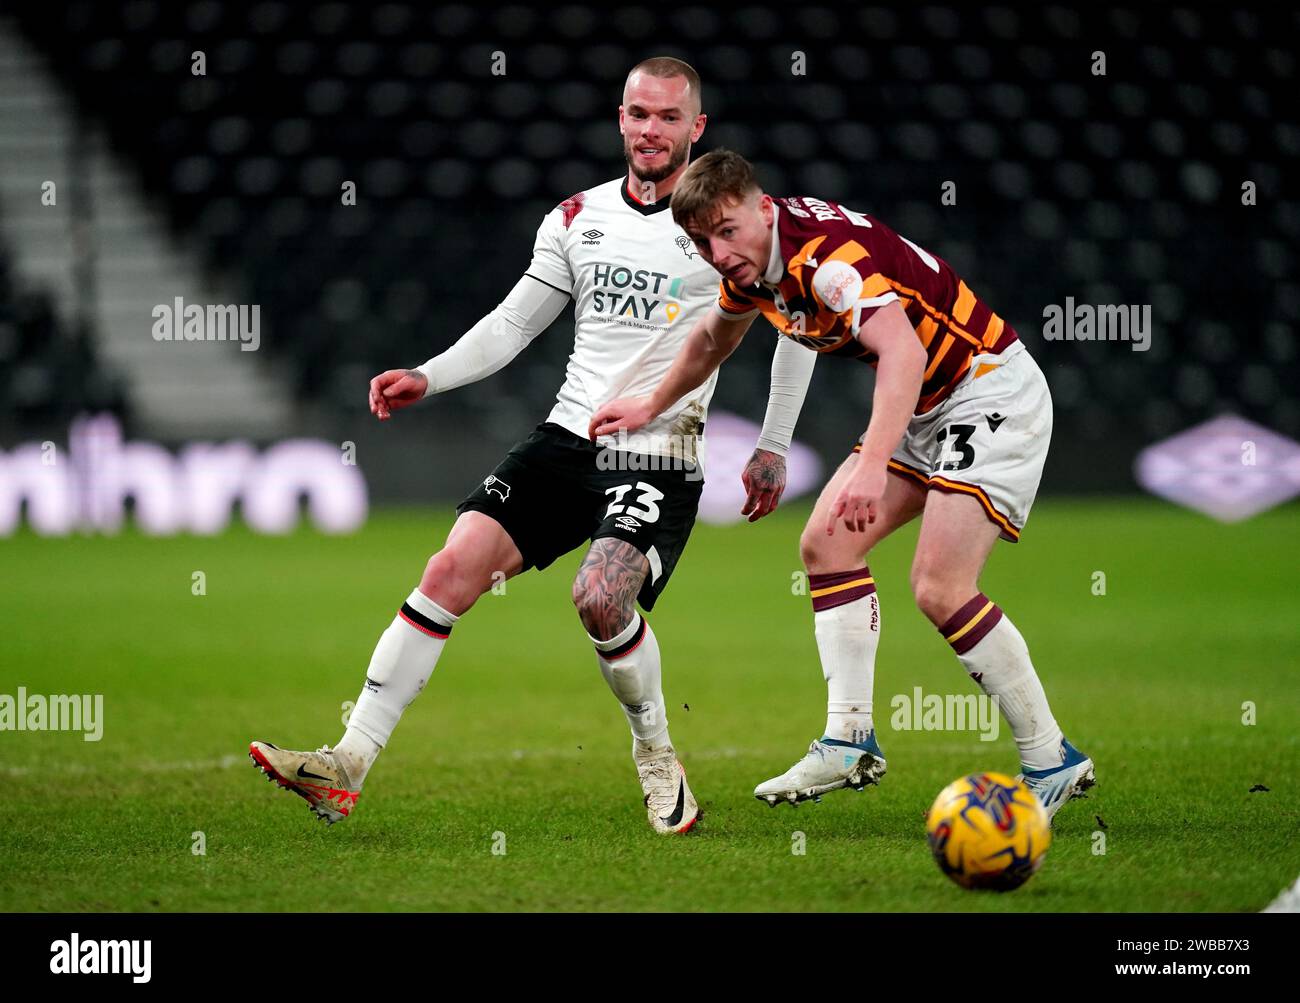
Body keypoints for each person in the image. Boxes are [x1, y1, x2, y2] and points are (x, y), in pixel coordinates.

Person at [250, 65, 816, 834]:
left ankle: (657, 756)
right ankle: (346, 763)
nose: (652, 130)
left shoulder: (730, 223)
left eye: (669, 117)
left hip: (657, 449)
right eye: (639, 114)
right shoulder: (577, 217)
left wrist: (774, 443)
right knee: (450, 567)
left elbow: (801, 328)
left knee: (600, 596)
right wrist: (430, 374)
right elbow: (515, 324)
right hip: (566, 438)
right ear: (620, 119)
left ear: (697, 128)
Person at [589, 148, 1094, 823]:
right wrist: (650, 406)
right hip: (928, 402)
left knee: (941, 588)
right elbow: (714, 340)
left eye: (727, 230)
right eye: (701, 241)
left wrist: (874, 463)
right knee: (827, 547)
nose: (717, 251)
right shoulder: (758, 264)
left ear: (762, 208)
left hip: (987, 389)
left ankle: (1050, 758)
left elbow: (905, 351)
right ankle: (850, 738)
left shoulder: (827, 263)